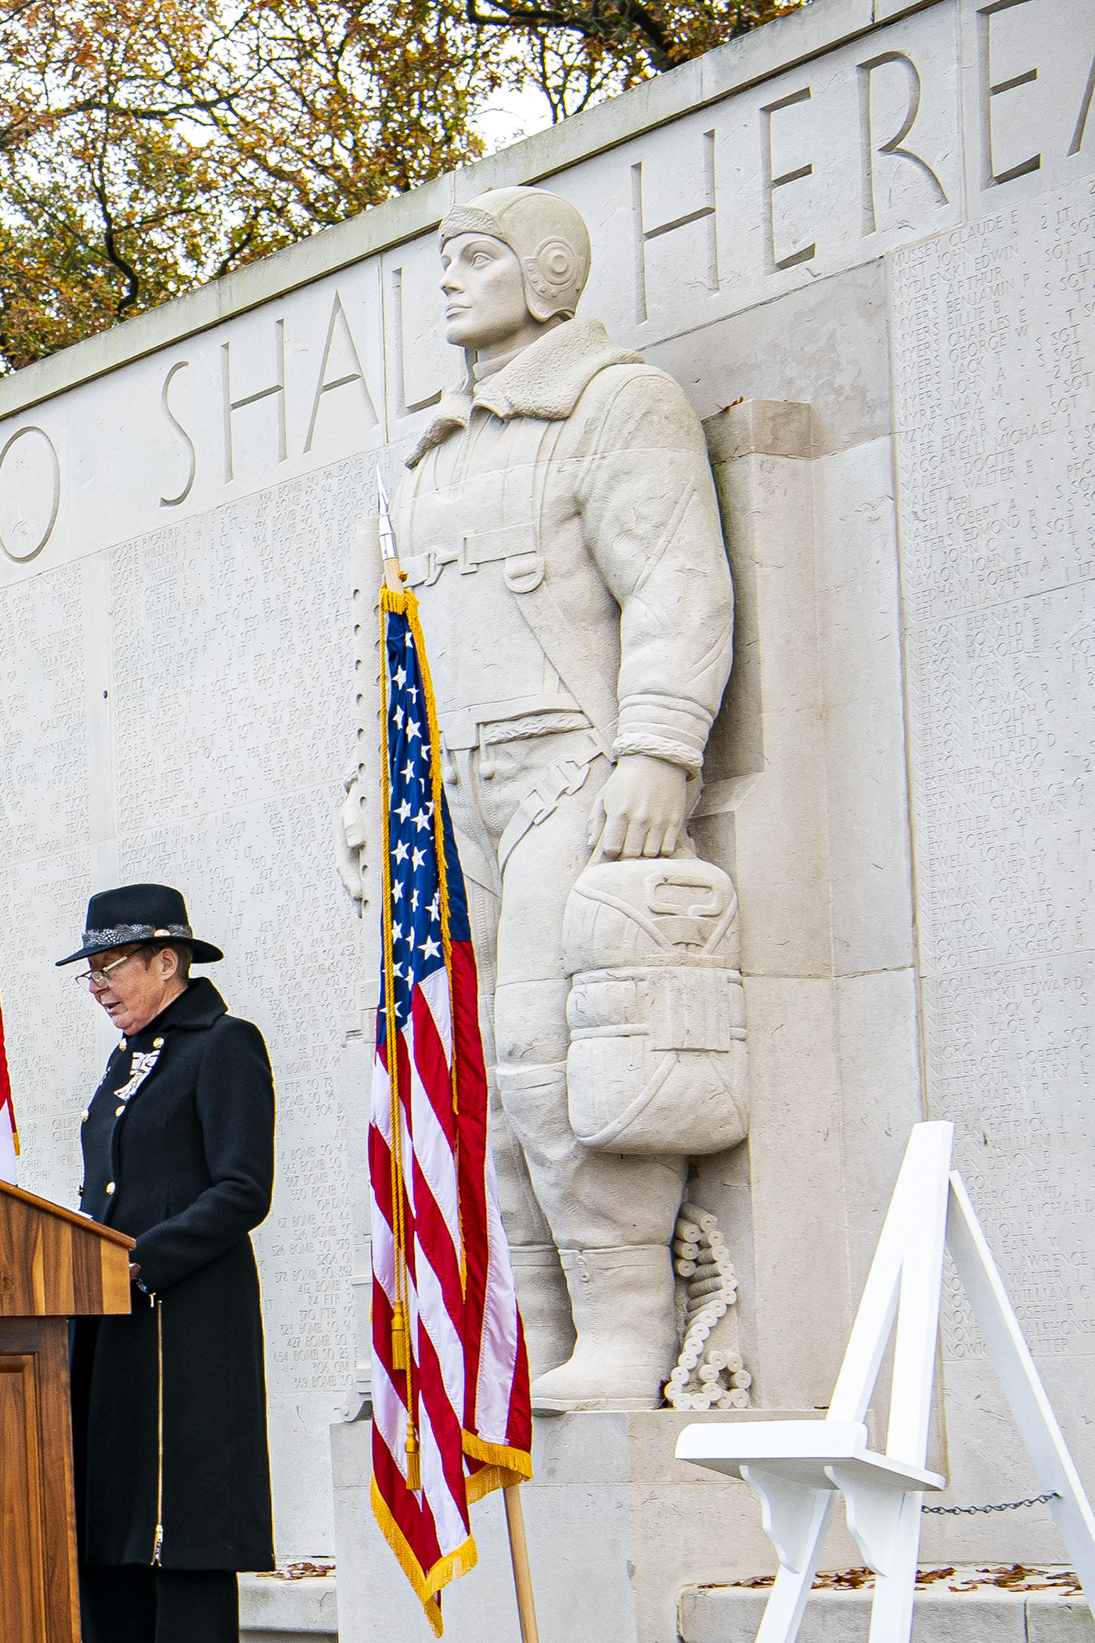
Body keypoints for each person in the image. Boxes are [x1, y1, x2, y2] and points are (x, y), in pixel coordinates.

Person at [386, 183, 739, 1409]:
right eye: (443, 258)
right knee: (464, 1074)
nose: (447, 279)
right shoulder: (429, 450)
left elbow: (678, 583)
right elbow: (396, 648)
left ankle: (629, 1332)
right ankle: (536, 1335)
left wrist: (659, 748)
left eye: (474, 257)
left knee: (549, 1054)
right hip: (446, 797)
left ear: (542, 274)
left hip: (569, 771)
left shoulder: (616, 403)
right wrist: (366, 794)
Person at [57, 884, 275, 1643]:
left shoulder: (224, 1047)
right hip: (108, 1332)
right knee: (107, 1542)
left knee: (179, 1549)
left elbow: (240, 1189)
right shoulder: (123, 1066)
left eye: (111, 967)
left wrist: (137, 1261)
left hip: (184, 1335)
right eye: (91, 973)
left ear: (167, 962)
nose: (100, 986)